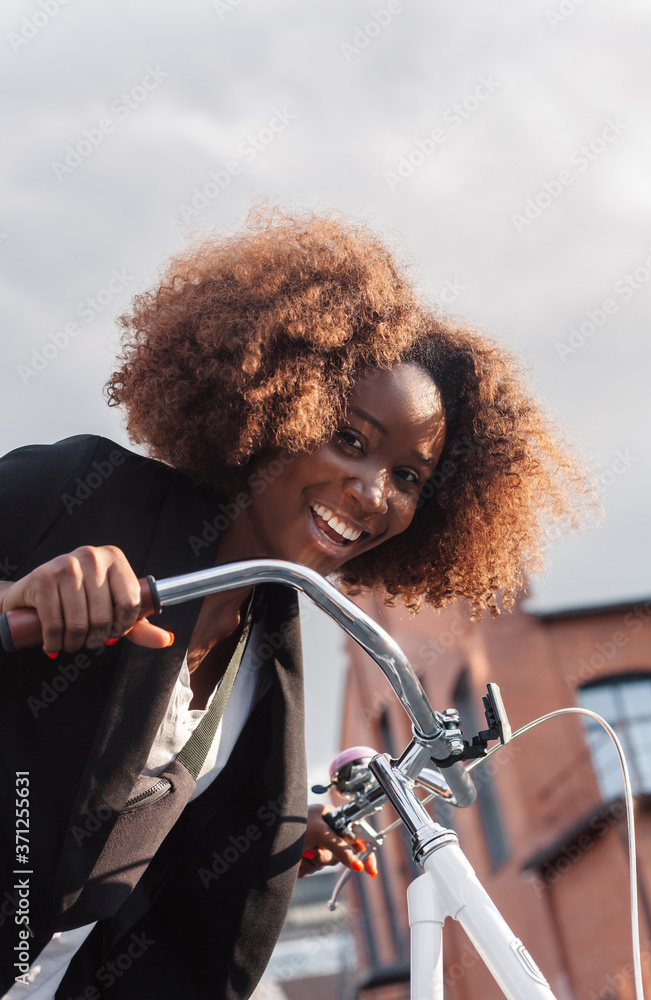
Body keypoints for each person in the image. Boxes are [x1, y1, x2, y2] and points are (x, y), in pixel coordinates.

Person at [0, 207, 592, 1000]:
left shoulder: (269, 650)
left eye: (408, 477)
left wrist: (270, 835)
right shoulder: (79, 496)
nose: (372, 492)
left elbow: (136, 818)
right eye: (349, 438)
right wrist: (18, 596)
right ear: (277, 406)